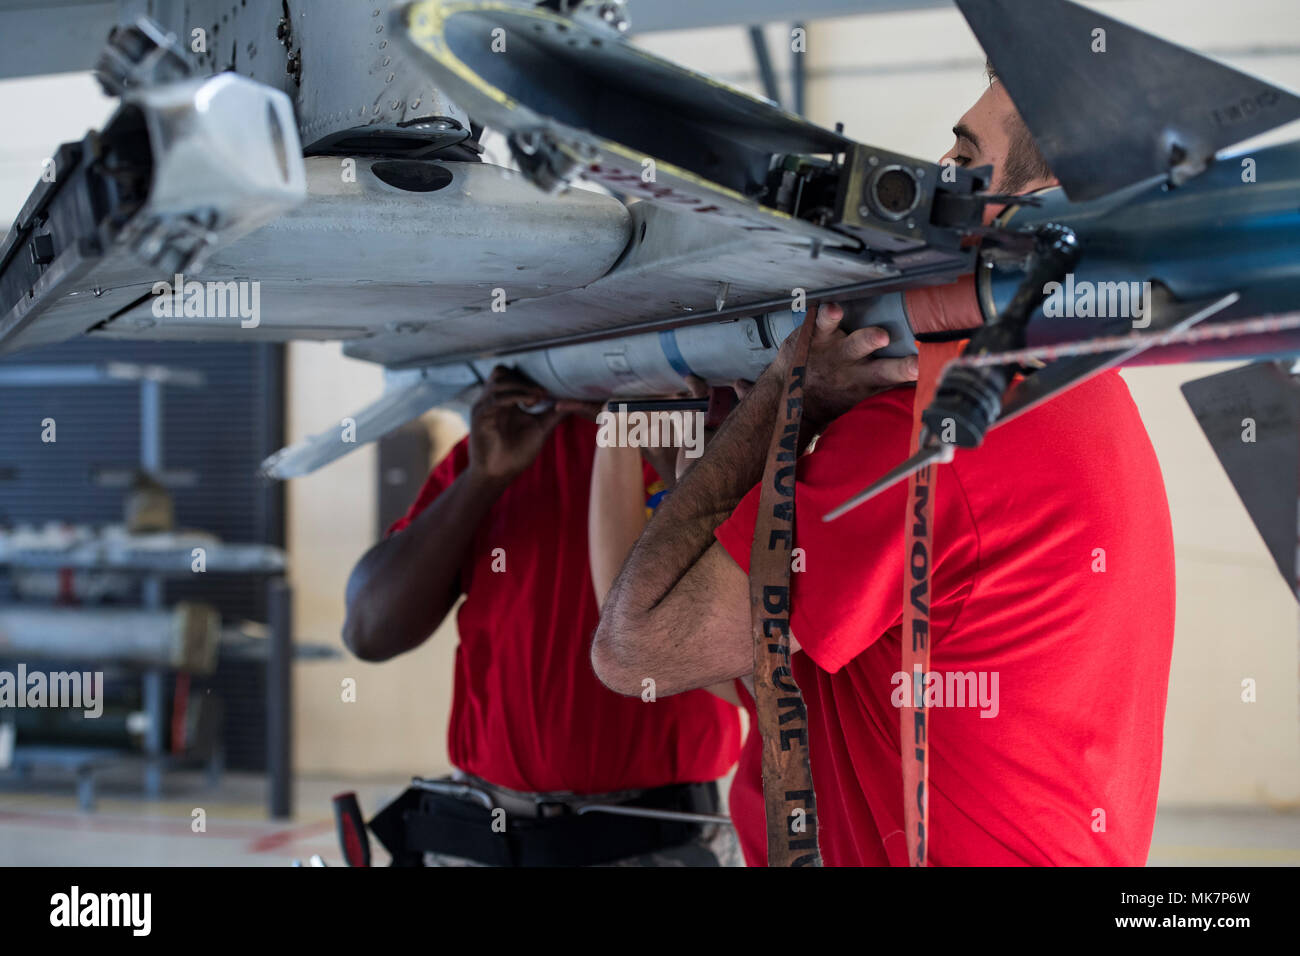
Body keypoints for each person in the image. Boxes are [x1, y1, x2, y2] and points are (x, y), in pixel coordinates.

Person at [591, 68, 1176, 866]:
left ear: (1047, 202)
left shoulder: (937, 427)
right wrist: (750, 441)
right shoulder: (1073, 390)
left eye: (967, 155)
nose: (940, 168)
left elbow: (638, 651)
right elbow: (765, 671)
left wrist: (781, 402)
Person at [343, 366, 743, 866]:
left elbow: (747, 612)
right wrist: (482, 479)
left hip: (656, 839)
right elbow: (369, 632)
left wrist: (655, 451)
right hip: (484, 830)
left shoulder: (696, 444)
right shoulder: (507, 448)